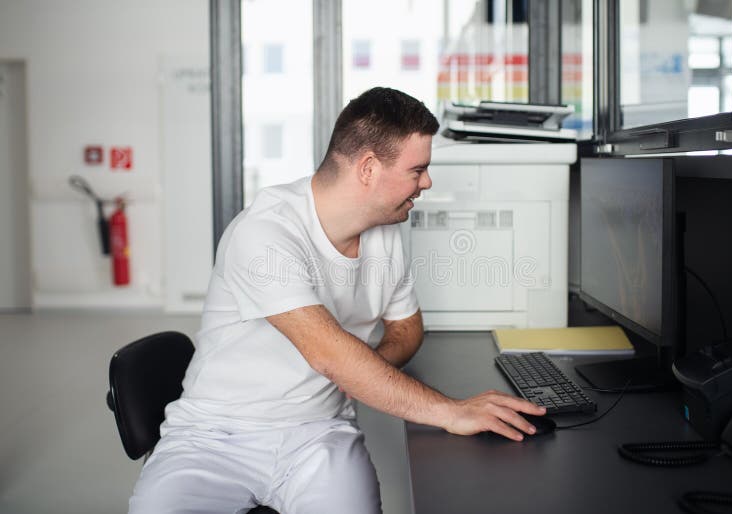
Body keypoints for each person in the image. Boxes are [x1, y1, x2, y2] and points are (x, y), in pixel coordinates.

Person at [128, 87, 546, 514]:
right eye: (417, 169)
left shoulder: (386, 232)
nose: (427, 182)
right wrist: (448, 412)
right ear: (368, 168)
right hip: (216, 437)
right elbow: (329, 355)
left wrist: (360, 373)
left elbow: (406, 327)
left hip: (320, 433)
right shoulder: (265, 232)